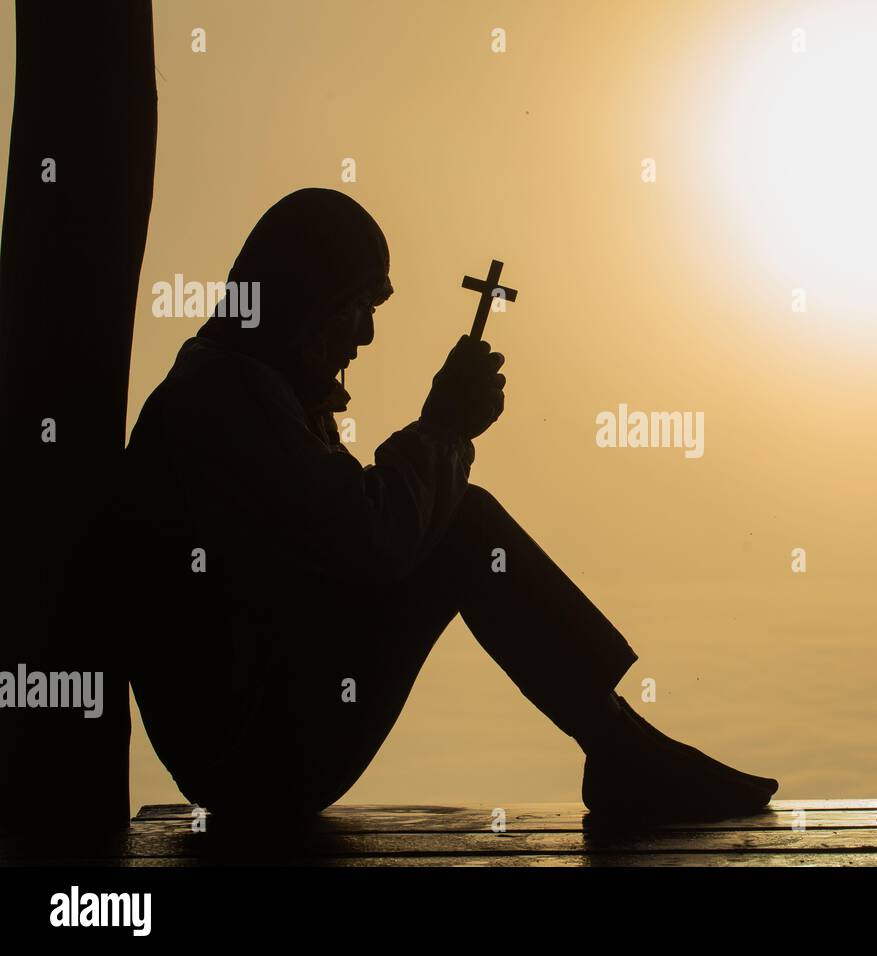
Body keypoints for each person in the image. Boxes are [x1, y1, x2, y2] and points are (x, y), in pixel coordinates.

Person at [119, 187, 778, 825]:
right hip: (256, 761)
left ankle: (621, 745)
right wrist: (441, 429)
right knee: (463, 526)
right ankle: (623, 751)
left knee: (460, 518)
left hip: (257, 736)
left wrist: (439, 439)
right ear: (308, 302)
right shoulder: (229, 401)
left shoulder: (240, 388)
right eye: (358, 306)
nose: (369, 334)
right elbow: (370, 544)